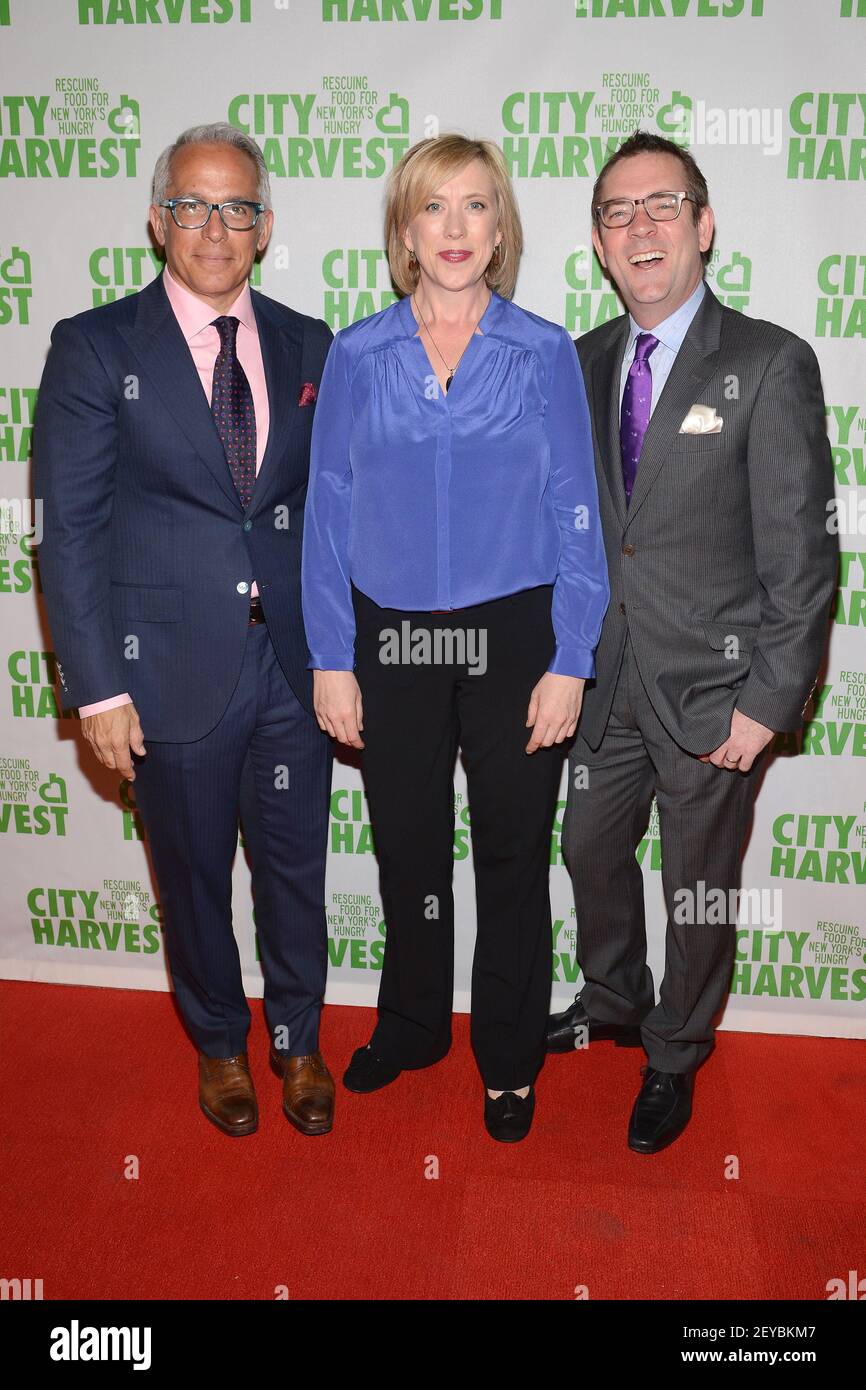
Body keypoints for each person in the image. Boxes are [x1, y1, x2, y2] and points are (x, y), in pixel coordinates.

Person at [302, 134, 609, 1142]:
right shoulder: (356, 354)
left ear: (499, 228)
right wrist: (331, 655)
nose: (454, 228)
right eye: (433, 207)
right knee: (409, 851)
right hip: (388, 637)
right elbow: (328, 511)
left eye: (475, 206)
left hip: (513, 632)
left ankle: (510, 1054)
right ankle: (413, 1022)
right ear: (402, 230)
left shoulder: (541, 351)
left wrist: (570, 656)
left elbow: (575, 510)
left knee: (512, 854)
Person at [34, 123, 336, 1139]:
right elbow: (68, 531)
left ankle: (297, 1038)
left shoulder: (309, 343)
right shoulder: (95, 346)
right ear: (158, 218)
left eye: (238, 207)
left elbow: (328, 514)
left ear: (264, 225)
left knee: (296, 868)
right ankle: (218, 1042)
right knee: (193, 875)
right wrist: (96, 689)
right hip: (162, 671)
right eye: (195, 205)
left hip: (292, 666)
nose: (216, 226)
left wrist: (340, 655)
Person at [547, 130, 838, 1153]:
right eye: (617, 212)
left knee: (697, 885)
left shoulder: (765, 363)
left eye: (660, 205)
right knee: (587, 849)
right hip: (604, 680)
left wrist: (768, 702)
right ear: (595, 241)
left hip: (715, 691)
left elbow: (800, 559)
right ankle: (614, 995)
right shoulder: (576, 362)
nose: (640, 227)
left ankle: (673, 1052)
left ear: (702, 226)